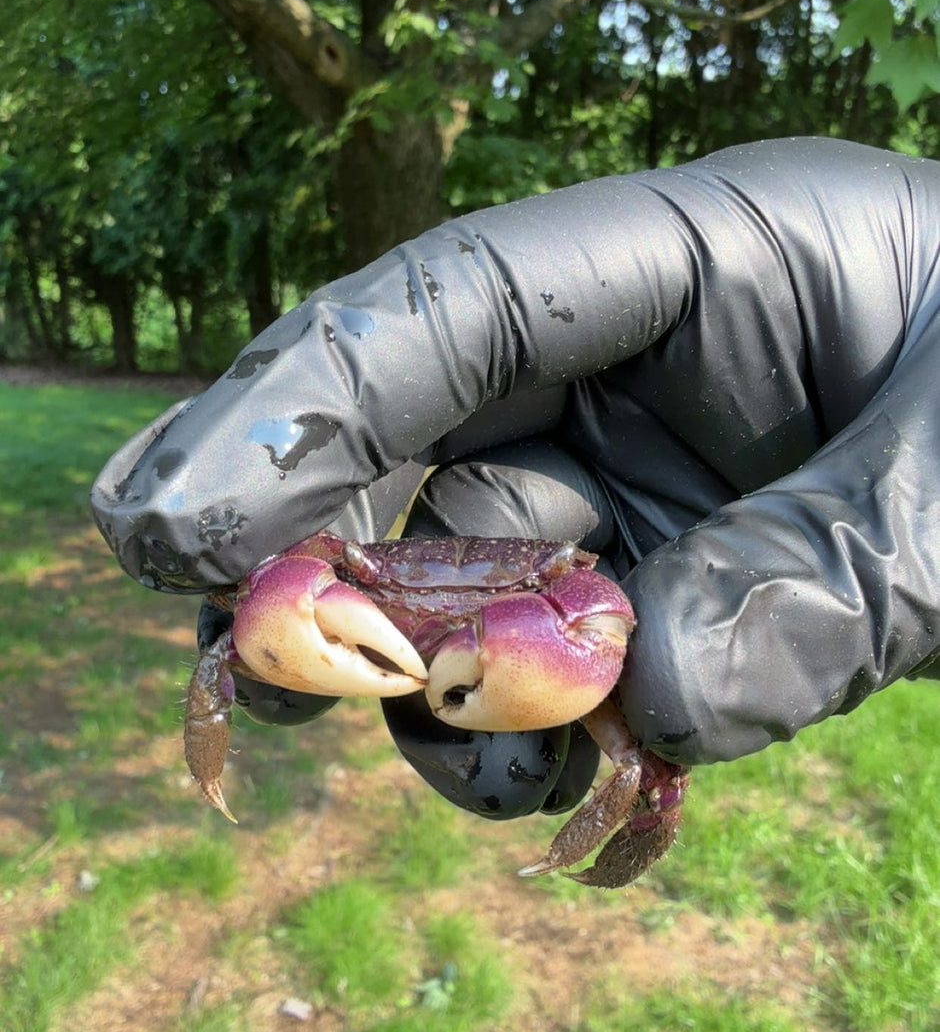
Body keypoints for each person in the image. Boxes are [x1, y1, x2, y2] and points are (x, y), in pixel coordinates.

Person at [91, 137, 940, 824]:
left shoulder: (578, 591)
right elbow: (252, 616)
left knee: (647, 750)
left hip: (545, 610)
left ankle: (598, 850)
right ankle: (211, 770)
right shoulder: (353, 561)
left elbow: (636, 703)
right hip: (374, 582)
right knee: (229, 643)